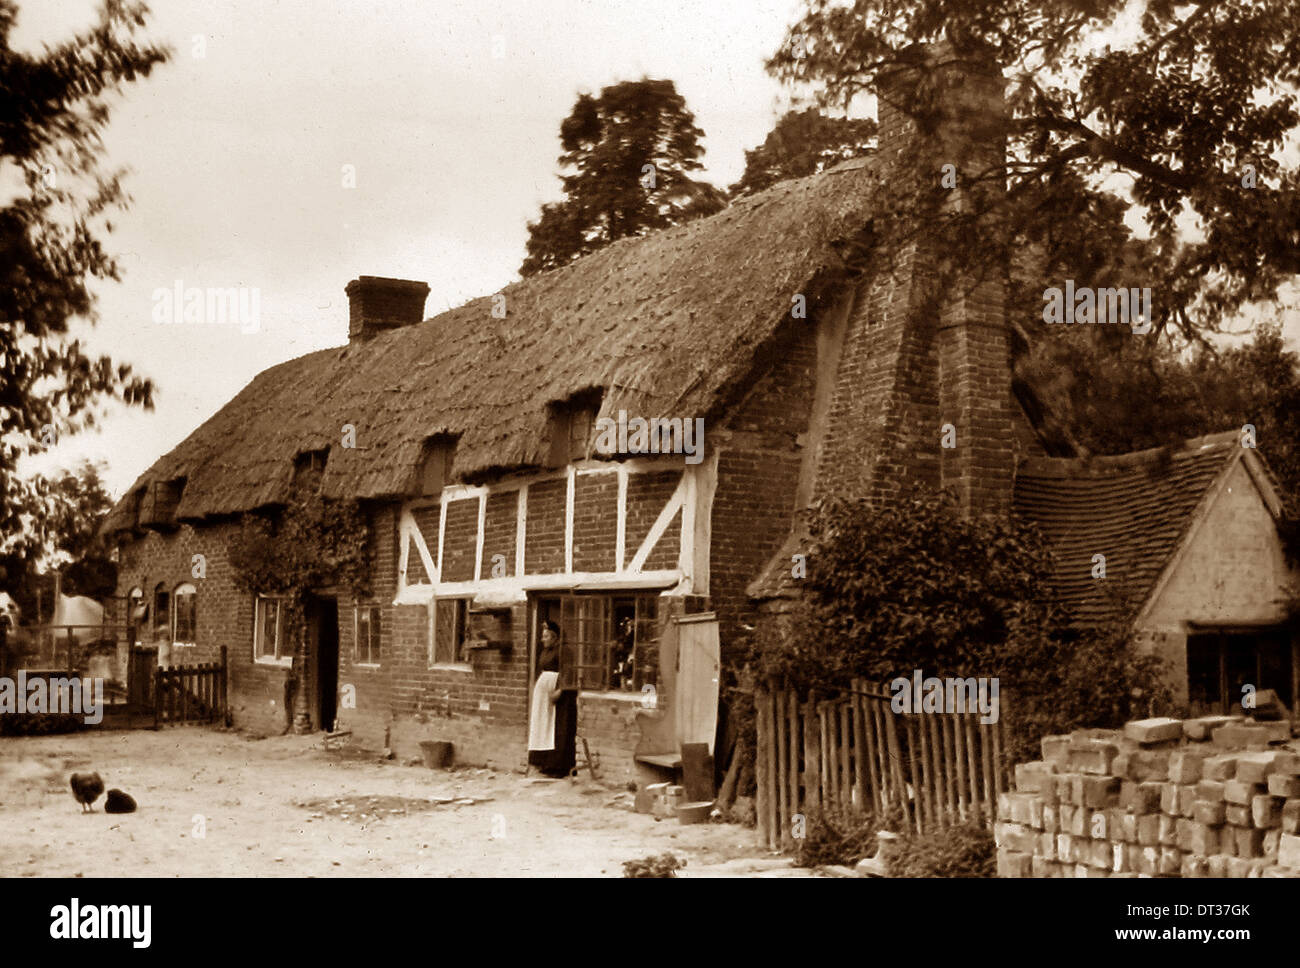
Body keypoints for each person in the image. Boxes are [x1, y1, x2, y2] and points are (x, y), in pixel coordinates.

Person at [527, 620, 577, 777]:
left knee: (557, 728)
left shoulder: (564, 650)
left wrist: (560, 691)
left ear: (554, 637)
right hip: (545, 695)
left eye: (546, 636)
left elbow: (568, 672)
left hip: (560, 695)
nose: (543, 639)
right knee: (544, 726)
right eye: (542, 636)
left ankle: (558, 767)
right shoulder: (546, 651)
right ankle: (544, 763)